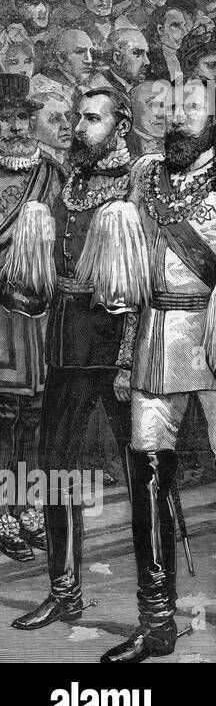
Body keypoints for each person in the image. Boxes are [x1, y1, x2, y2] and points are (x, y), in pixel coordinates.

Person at [100, 77, 216, 662]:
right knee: (148, 472)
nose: (177, 119)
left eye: (191, 108)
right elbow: (131, 275)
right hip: (155, 336)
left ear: (215, 117)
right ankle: (156, 620)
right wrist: (126, 354)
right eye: (169, 110)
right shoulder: (145, 177)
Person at [10, 87, 132, 630]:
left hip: (114, 342)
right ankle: (64, 590)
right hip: (64, 339)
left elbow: (143, 274)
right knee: (57, 470)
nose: (80, 128)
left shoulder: (139, 180)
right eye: (77, 118)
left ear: (119, 123)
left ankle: (156, 609)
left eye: (92, 119)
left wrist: (130, 358)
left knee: (144, 472)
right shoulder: (71, 178)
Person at [0, 75, 67, 562]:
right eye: (5, 120)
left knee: (34, 416)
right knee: (4, 418)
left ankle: (28, 509)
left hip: (38, 313)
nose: (14, 129)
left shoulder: (51, 173)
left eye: (21, 118)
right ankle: (4, 511)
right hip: (0, 315)